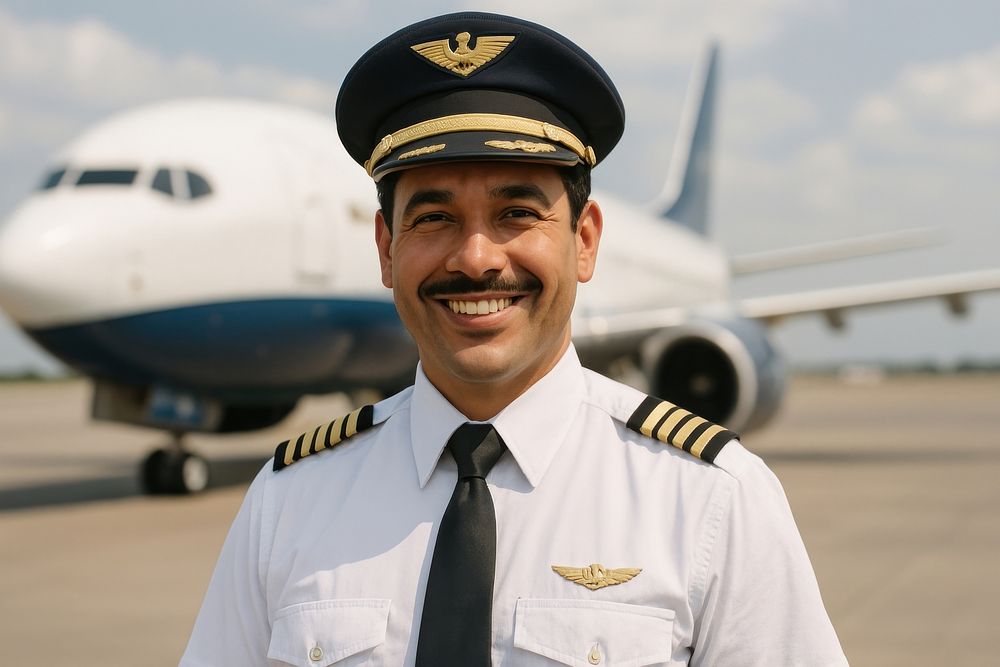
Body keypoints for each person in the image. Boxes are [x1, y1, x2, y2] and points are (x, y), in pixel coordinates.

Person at [182, 11, 847, 666]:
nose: (475, 257)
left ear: (584, 242)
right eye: (435, 216)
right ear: (386, 249)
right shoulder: (289, 497)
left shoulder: (713, 498)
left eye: (516, 213)